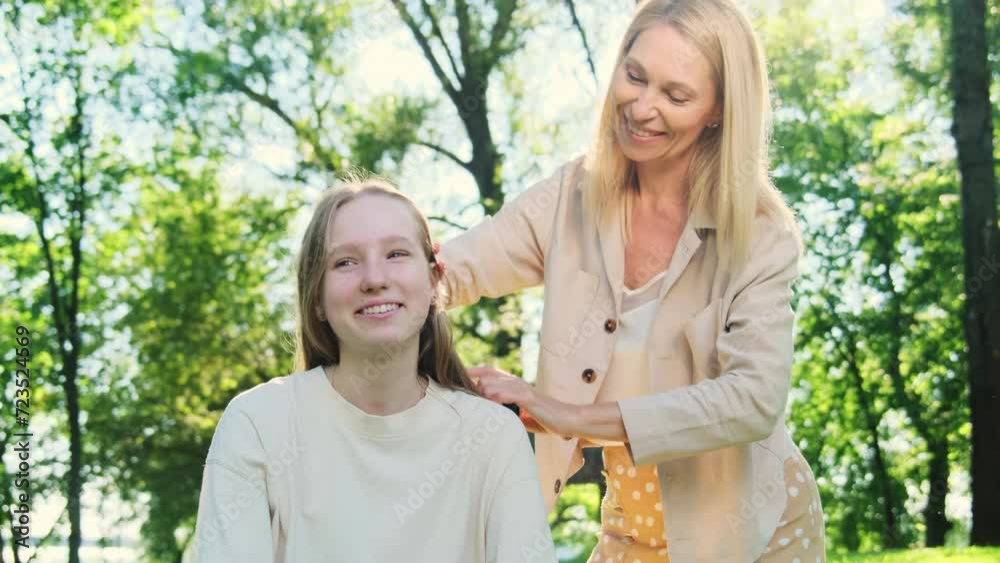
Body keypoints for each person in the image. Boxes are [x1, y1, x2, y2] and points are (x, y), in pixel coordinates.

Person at [437, 0, 826, 561]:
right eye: (635, 76)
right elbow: (457, 268)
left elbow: (753, 398)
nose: (642, 109)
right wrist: (383, 271)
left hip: (755, 530)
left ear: (718, 110)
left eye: (676, 96)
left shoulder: (759, 231)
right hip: (631, 524)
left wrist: (566, 414)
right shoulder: (571, 194)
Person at [192, 177, 556, 562]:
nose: (375, 280)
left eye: (396, 254)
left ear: (434, 280)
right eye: (345, 262)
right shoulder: (257, 424)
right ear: (316, 299)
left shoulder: (494, 437)